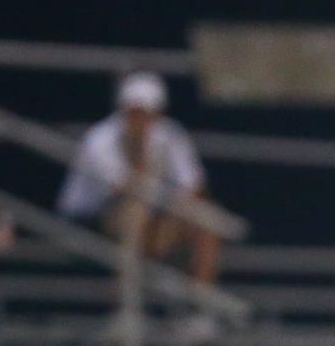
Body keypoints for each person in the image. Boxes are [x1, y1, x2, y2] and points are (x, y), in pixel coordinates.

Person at [57, 71, 224, 290]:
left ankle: (200, 311)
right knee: (133, 214)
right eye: (134, 112)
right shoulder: (99, 139)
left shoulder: (169, 135)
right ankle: (128, 309)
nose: (139, 121)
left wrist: (176, 212)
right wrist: (141, 157)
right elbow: (121, 190)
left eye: (146, 113)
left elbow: (192, 186)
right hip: (86, 220)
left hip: (148, 215)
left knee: (206, 221)